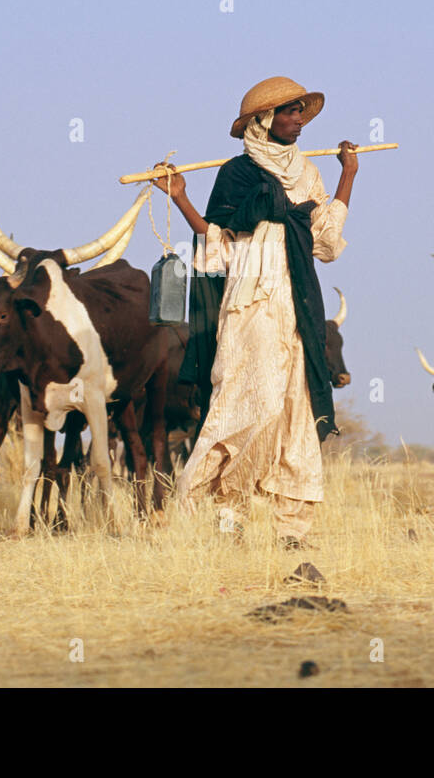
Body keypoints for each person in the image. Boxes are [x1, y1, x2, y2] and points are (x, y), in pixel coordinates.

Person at [150, 76, 359, 547]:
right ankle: (228, 515)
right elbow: (217, 246)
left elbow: (325, 240)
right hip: (249, 301)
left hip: (298, 302)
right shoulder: (236, 174)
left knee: (294, 411)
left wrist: (349, 175)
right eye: (289, 111)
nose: (299, 120)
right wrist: (180, 195)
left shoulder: (308, 173)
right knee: (250, 404)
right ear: (264, 121)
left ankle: (293, 531)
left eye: (302, 111)